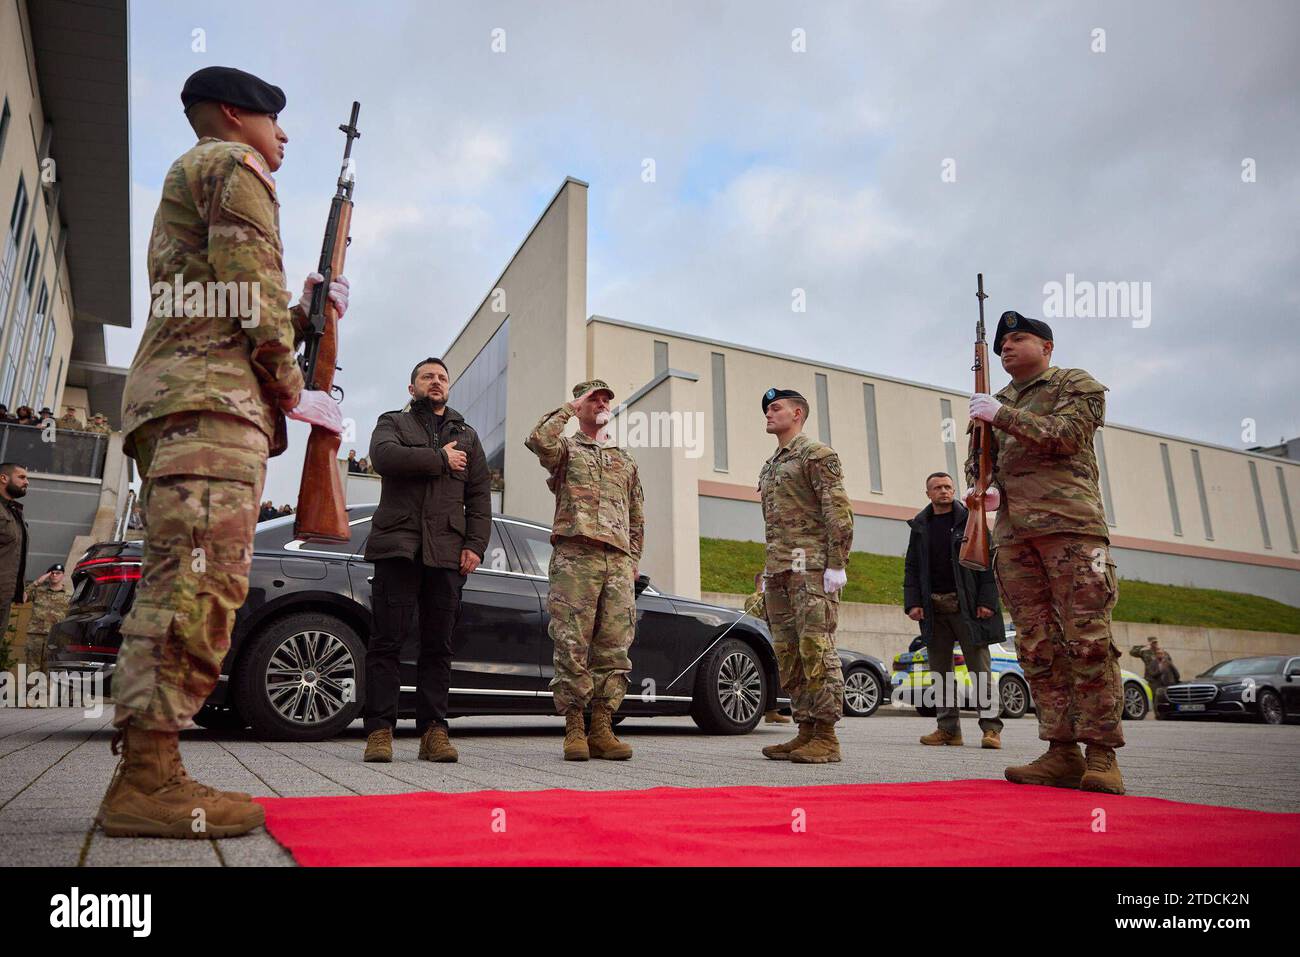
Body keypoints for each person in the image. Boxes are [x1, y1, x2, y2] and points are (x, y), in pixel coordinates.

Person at [98, 65, 351, 839]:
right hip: (210, 407)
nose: (285, 137)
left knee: (189, 581)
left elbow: (230, 290)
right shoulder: (232, 166)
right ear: (239, 116)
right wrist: (290, 386)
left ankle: (155, 765)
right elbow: (246, 292)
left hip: (191, 399)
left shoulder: (198, 172)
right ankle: (146, 780)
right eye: (276, 121)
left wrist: (309, 308)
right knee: (195, 591)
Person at [966, 310, 1125, 794]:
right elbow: (978, 465)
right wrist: (983, 491)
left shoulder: (1075, 384)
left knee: (1088, 639)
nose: (1007, 348)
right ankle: (1061, 751)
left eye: (1018, 339)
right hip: (1015, 537)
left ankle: (1102, 755)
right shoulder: (993, 403)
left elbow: (1067, 435)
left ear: (1047, 347)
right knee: (1036, 644)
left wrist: (1002, 416)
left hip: (1072, 530)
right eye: (1001, 345)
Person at [360, 357, 491, 763]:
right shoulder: (392, 423)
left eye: (441, 378)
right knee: (386, 643)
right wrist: (439, 460)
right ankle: (380, 731)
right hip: (398, 547)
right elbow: (384, 458)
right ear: (412, 387)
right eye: (426, 377)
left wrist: (475, 545)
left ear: (449, 387)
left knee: (439, 647)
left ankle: (434, 732)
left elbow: (480, 496)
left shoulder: (466, 435)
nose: (435, 382)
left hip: (446, 554)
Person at [526, 379, 644, 761]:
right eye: (595, 397)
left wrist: (632, 559)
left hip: (617, 560)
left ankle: (602, 726)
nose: (602, 402)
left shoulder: (624, 459)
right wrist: (570, 408)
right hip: (575, 557)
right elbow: (538, 438)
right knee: (571, 642)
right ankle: (574, 725)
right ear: (581, 404)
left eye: (607, 398)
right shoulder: (565, 449)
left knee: (614, 645)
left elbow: (637, 516)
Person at [757, 388, 854, 764]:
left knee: (816, 648)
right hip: (779, 570)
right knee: (789, 653)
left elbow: (838, 511)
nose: (769, 412)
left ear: (797, 413)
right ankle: (805, 730)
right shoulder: (770, 465)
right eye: (767, 408)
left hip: (812, 569)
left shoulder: (817, 455)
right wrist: (767, 572)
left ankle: (827, 736)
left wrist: (837, 563)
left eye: (776, 407)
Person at [904, 471, 1005, 748]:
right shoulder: (920, 526)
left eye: (948, 486)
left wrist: (987, 602)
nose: (944, 491)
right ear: (929, 494)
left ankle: (991, 729)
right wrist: (913, 603)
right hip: (934, 609)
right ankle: (948, 729)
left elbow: (988, 564)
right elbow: (912, 567)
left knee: (980, 672)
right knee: (941, 673)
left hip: (968, 608)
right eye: (937, 487)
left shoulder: (971, 520)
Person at [0, 463, 31, 650]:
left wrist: (19, 586)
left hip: (4, 596)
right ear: (3, 478)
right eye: (22, 477)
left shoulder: (13, 512)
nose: (27, 482)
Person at [24, 563, 71, 672]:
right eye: (52, 573)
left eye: (58, 573)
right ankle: (32, 690)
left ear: (63, 575)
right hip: (35, 635)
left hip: (56, 638)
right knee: (32, 669)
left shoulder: (69, 595)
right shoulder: (39, 591)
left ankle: (46, 690)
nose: (54, 575)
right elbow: (22, 599)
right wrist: (36, 583)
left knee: (50, 670)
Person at [1130, 637, 1179, 716]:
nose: (1155, 644)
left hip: (1166, 679)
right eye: (1153, 642)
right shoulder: (1145, 652)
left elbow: (1171, 666)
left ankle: (1169, 713)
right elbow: (1132, 652)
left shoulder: (1164, 653)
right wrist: (1143, 646)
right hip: (1152, 679)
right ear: (1149, 642)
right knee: (1155, 698)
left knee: (1166, 697)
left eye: (1156, 642)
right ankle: (1158, 715)